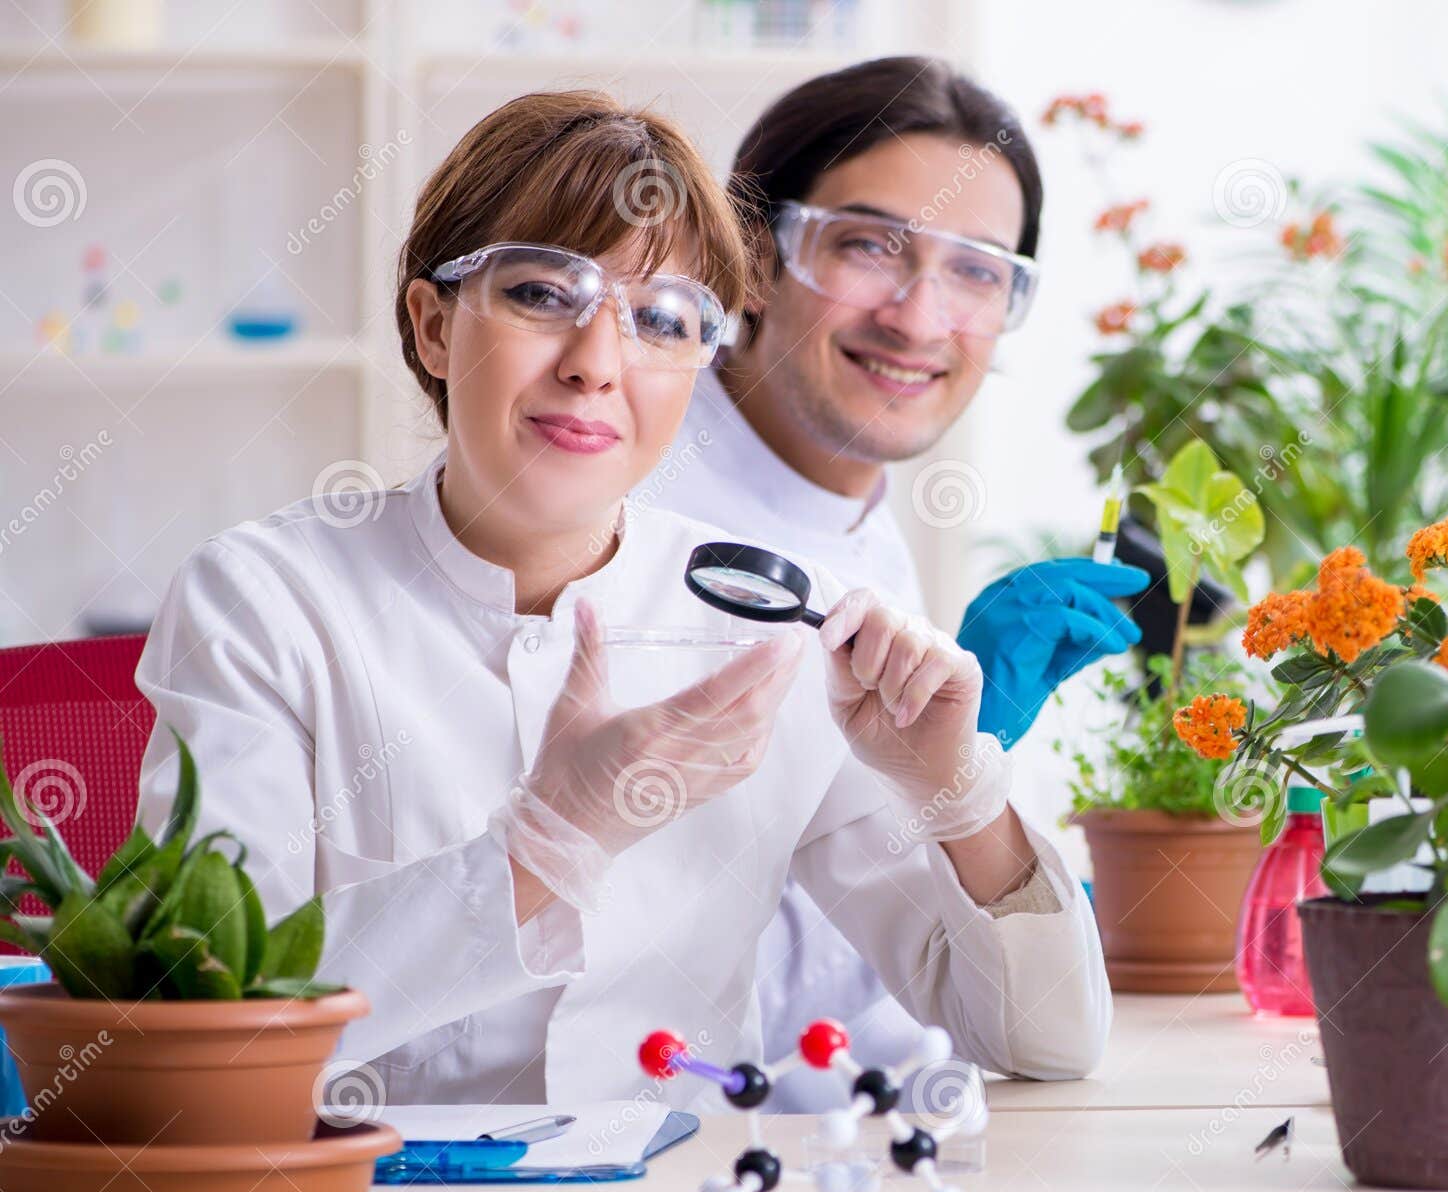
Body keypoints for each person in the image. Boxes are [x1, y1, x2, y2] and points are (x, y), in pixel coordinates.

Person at [133, 90, 1112, 1112]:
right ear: (431, 325)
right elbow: (197, 1036)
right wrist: (542, 844)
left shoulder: (780, 627)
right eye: (542, 295)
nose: (597, 363)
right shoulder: (267, 601)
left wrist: (956, 790)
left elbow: (1045, 1040)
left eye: (660, 319)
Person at [644, 58, 1148, 1088]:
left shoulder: (860, 529)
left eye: (976, 270)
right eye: (869, 246)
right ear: (750, 256)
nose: (919, 320)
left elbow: (869, 902)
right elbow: (680, 955)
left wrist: (960, 769)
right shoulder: (625, 500)